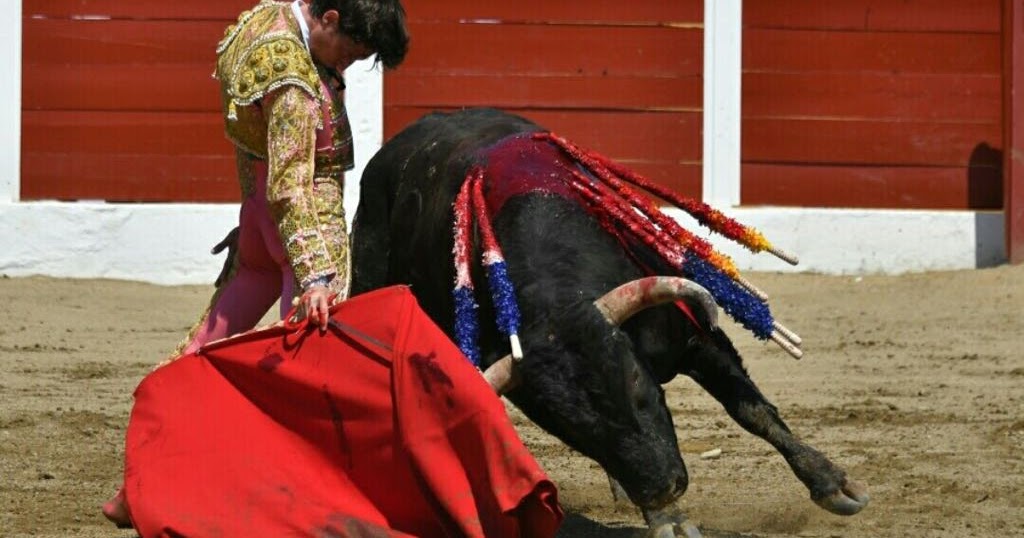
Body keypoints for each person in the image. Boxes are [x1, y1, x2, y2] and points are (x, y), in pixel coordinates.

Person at [103, 0, 409, 527]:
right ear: (329, 19)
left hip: (258, 225)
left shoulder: (260, 21)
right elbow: (292, 188)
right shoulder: (293, 78)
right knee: (308, 381)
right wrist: (315, 273)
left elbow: (257, 152)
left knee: (196, 354)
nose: (351, 66)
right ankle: (292, 506)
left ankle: (138, 484)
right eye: (353, 52)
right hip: (303, 232)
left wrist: (254, 218)